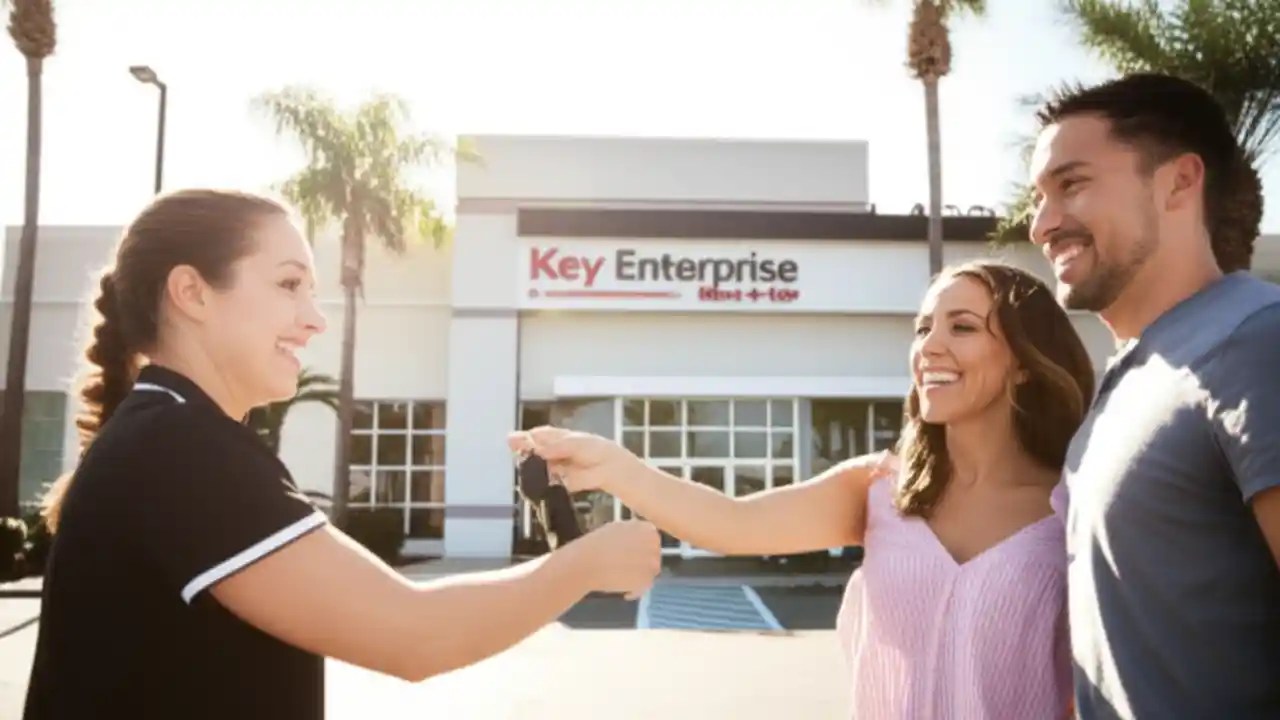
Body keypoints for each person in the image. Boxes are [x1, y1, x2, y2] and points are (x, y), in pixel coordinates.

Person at [22, 189, 662, 720]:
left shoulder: (168, 436)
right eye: (289, 284)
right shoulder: (181, 449)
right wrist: (586, 565)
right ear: (192, 292)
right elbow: (416, 634)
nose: (314, 318)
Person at [510, 260, 1096, 719]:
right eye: (922, 328)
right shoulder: (878, 488)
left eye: (962, 327)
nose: (929, 347)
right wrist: (610, 465)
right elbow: (732, 522)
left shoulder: (1075, 508)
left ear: (1024, 362)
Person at [1028, 72, 1280, 719]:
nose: (1042, 225)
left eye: (1072, 185)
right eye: (1039, 197)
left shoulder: (1256, 340)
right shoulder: (1130, 380)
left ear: (1178, 182)